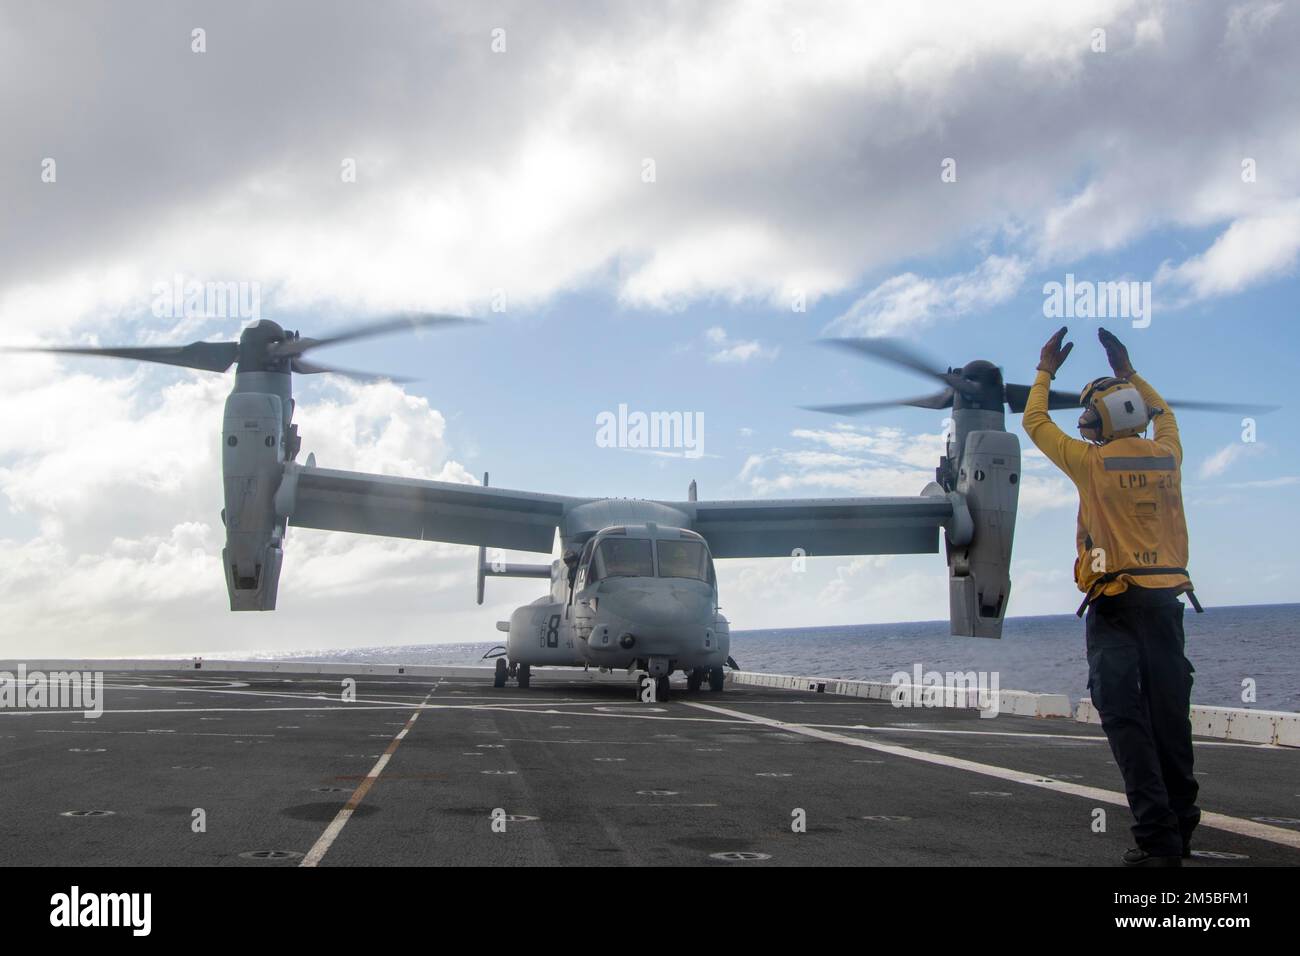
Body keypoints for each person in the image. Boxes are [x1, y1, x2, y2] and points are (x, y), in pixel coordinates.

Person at [1027, 326, 1201, 868]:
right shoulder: (1167, 455)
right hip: (1167, 606)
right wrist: (1129, 372)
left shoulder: (1092, 464)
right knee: (1170, 717)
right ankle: (1181, 829)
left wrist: (1044, 371)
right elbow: (1165, 412)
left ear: (1101, 423)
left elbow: (1035, 423)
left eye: (1090, 422)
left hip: (1115, 607)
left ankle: (1157, 839)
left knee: (1124, 718)